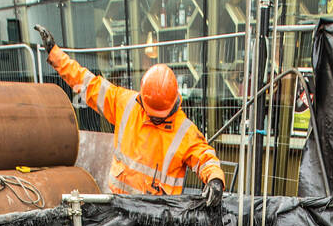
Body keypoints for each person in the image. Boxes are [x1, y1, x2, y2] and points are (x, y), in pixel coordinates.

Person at [34, 24, 225, 205]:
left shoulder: (184, 132)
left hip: (157, 221)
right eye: (152, 115)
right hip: (120, 210)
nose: (154, 119)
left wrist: (215, 179)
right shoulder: (126, 104)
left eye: (159, 117)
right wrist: (56, 56)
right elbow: (87, 84)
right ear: (142, 101)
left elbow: (205, 157)